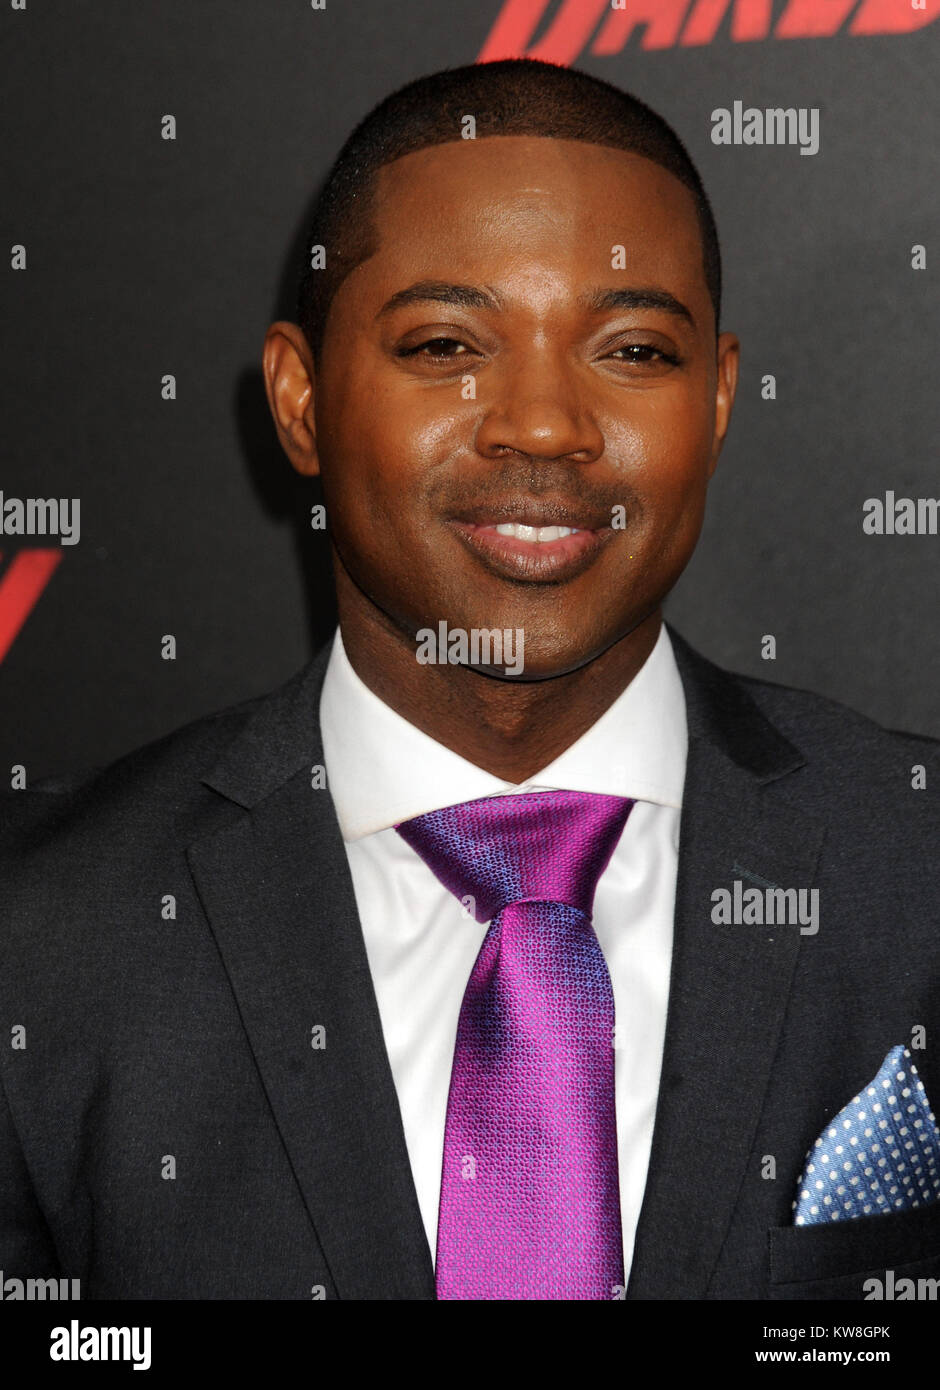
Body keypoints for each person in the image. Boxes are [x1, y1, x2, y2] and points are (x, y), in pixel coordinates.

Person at [2, 58, 938, 1302]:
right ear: (299, 400)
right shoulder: (44, 939)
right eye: (445, 343)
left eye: (633, 348)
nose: (541, 426)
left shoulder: (913, 866)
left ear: (717, 398)